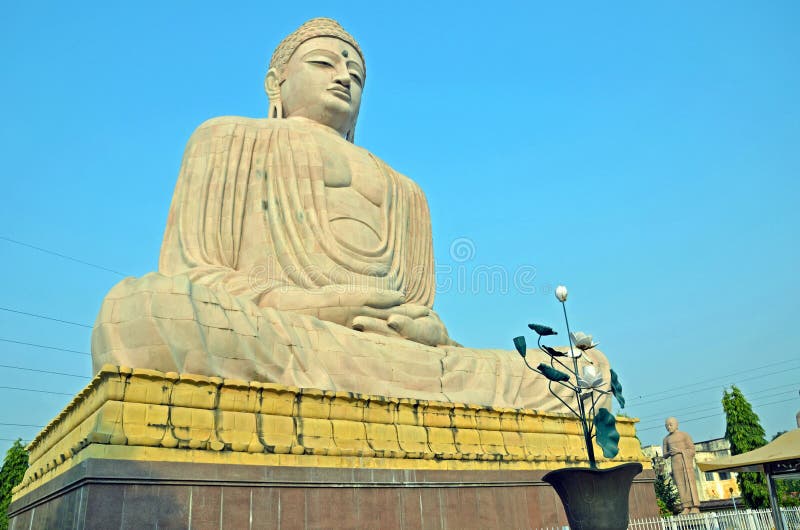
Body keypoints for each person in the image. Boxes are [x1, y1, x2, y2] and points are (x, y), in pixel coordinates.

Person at [91, 18, 610, 412]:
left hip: (400, 359)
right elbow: (193, 273)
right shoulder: (227, 139)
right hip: (289, 334)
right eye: (323, 63)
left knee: (585, 373)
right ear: (276, 82)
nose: (343, 77)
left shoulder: (408, 192)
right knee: (141, 311)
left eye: (356, 73)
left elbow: (415, 310)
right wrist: (321, 306)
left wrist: (428, 331)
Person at [662, 417, 701, 514]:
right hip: (675, 465)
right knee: (680, 486)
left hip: (686, 464)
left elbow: (692, 450)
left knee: (689, 483)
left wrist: (680, 451)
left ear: (677, 425)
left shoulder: (684, 435)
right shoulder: (666, 439)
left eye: (671, 424)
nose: (669, 427)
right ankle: (686, 507)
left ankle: (695, 506)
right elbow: (664, 455)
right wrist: (670, 453)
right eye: (667, 426)